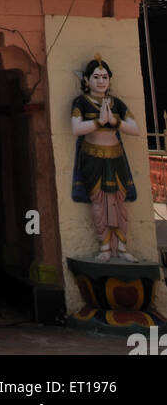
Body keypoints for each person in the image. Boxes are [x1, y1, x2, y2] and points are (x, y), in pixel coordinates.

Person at [71, 56, 139, 261]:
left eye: (105, 77)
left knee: (119, 202)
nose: (101, 81)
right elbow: (76, 128)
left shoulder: (116, 103)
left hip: (115, 156)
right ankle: (104, 247)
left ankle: (122, 247)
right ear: (86, 80)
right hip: (92, 158)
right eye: (96, 77)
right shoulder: (81, 102)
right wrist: (99, 122)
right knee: (99, 203)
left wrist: (114, 121)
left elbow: (135, 129)